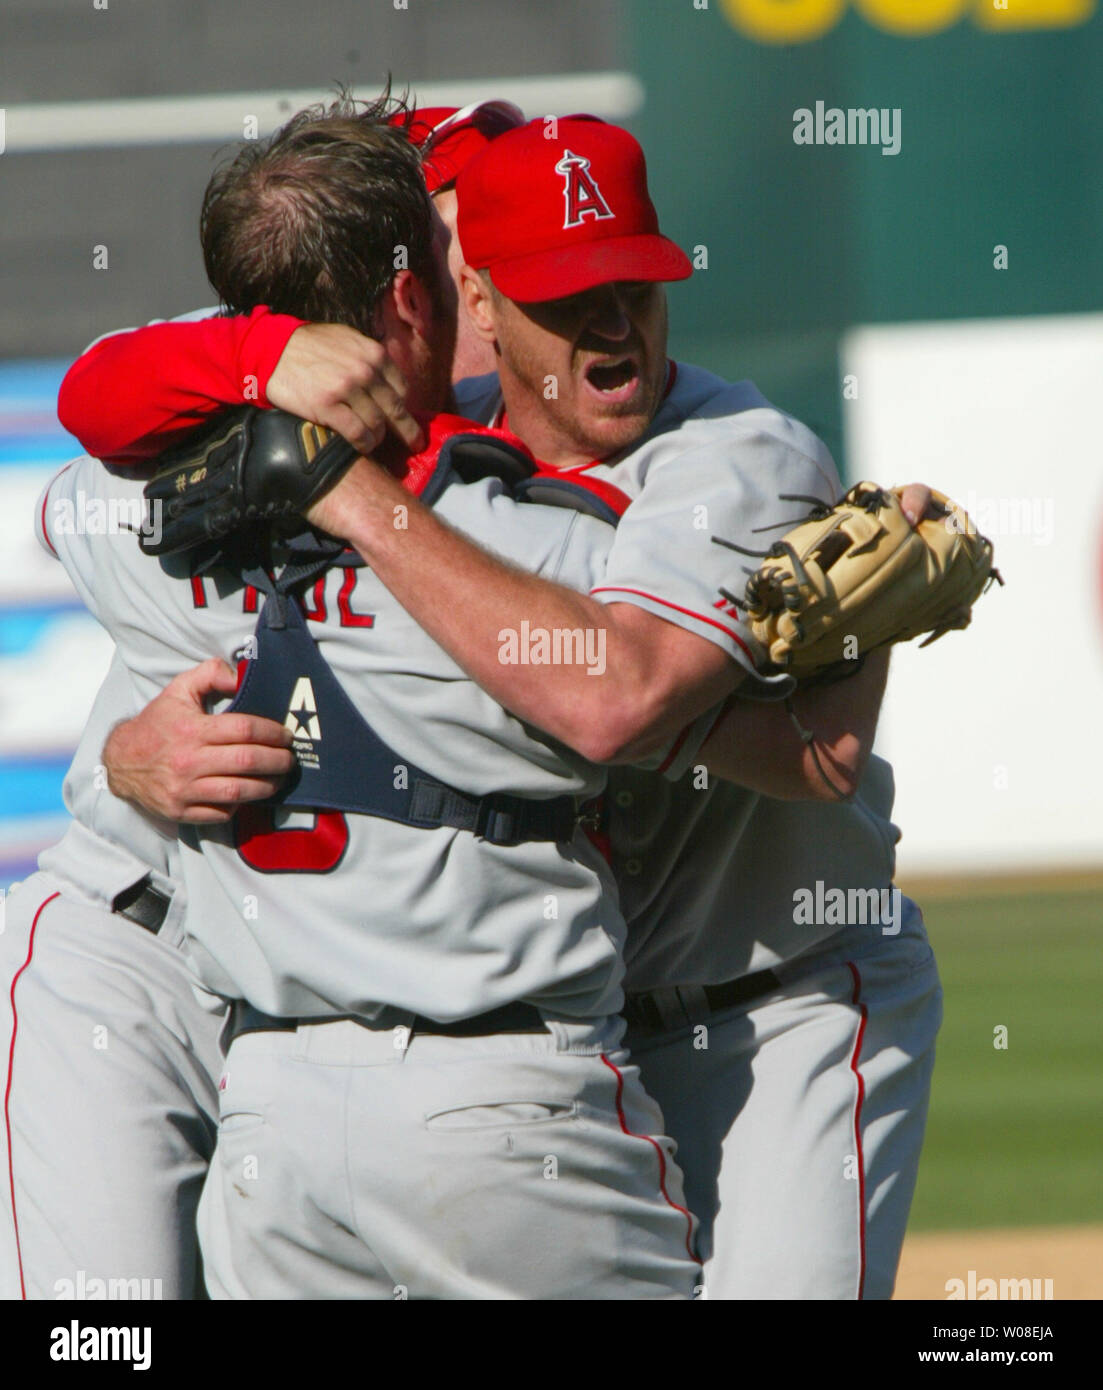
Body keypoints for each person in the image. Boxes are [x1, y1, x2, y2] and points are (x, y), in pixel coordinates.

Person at [58, 108, 942, 1300]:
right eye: (559, 289)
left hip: (774, 991)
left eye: (631, 279)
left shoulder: (735, 458)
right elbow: (105, 386)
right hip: (550, 1029)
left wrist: (337, 484)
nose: (608, 318)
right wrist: (126, 748)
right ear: (470, 300)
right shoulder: (446, 463)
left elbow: (699, 724)